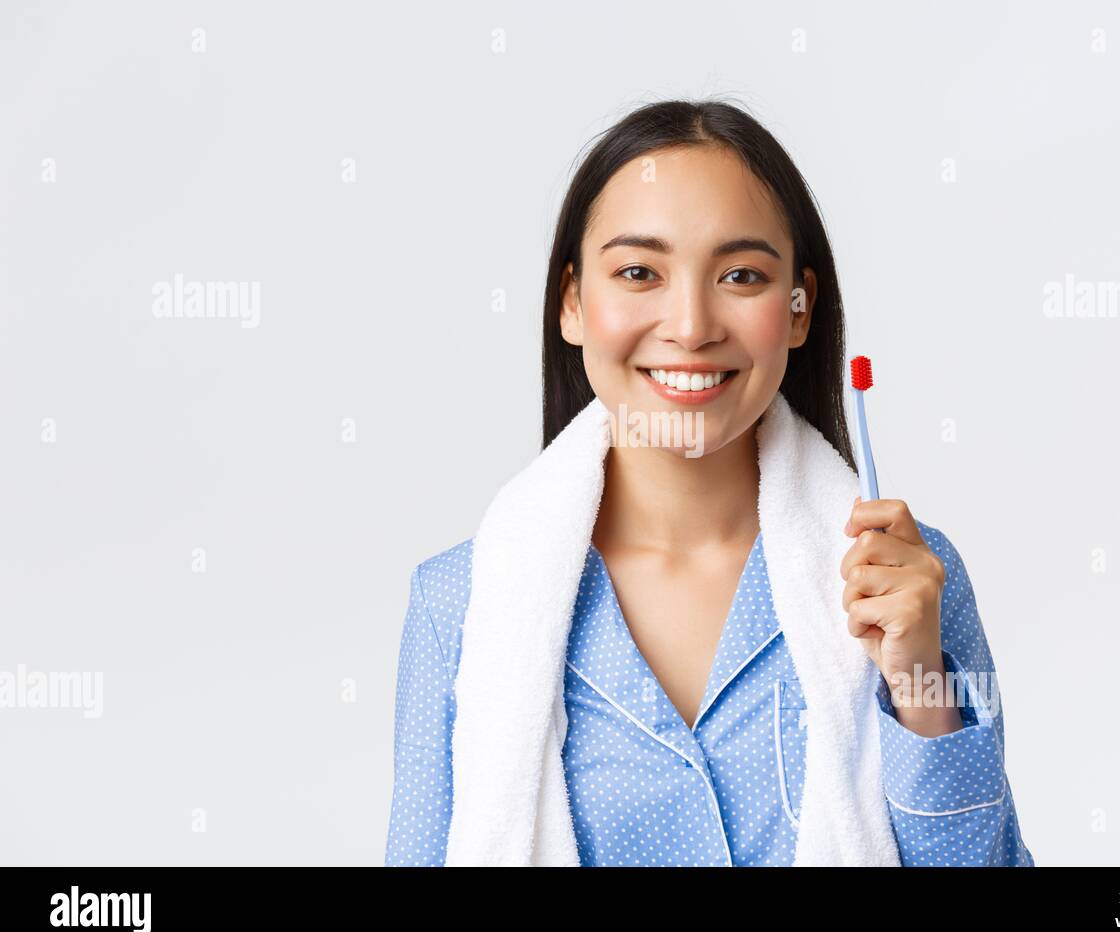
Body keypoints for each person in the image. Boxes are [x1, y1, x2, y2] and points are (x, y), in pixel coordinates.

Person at [385, 99, 1033, 866]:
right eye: (637, 272)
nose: (690, 326)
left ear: (798, 311)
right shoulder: (458, 606)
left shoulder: (909, 581)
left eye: (741, 275)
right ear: (572, 303)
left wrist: (922, 690)